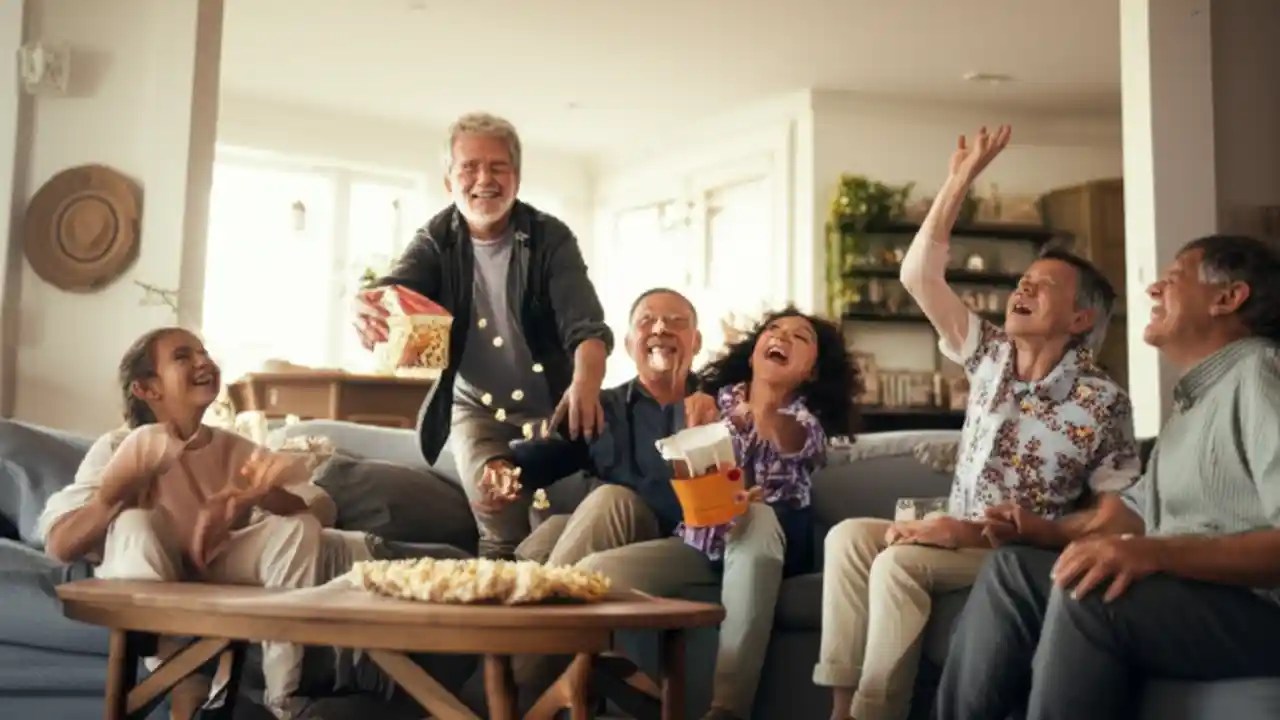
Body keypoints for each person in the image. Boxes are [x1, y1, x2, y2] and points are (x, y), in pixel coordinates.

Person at [813, 126, 1141, 720]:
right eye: (1024, 278)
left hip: (1011, 552)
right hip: (956, 530)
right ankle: (842, 709)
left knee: (899, 562)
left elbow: (1118, 517)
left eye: (1043, 285)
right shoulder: (988, 354)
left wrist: (1026, 528)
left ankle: (873, 713)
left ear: (1080, 316)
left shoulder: (1102, 401)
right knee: (847, 537)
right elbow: (918, 277)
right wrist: (958, 180)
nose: (1023, 284)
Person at [935, 234, 1280, 720]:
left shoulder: (1261, 372)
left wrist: (1156, 552)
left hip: (1255, 608)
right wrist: (1048, 531)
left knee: (1091, 591)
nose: (1154, 289)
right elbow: (1135, 512)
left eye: (1174, 278)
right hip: (1191, 589)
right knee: (1013, 569)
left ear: (1228, 298)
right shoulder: (1194, 400)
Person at [497, 292, 858, 720]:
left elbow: (790, 441)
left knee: (755, 516)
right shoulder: (712, 401)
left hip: (761, 542)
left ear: (813, 369)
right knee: (588, 571)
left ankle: (726, 709)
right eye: (774, 330)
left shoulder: (803, 419)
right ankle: (598, 682)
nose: (782, 337)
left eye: (800, 337)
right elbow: (691, 473)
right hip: (701, 542)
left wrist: (762, 411)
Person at [353, 111, 612, 559]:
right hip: (476, 409)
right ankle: (495, 616)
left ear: (517, 177)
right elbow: (396, 287)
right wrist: (363, 302)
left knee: (554, 529)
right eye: (468, 168)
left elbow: (585, 325)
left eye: (497, 167)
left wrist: (586, 381)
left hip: (551, 407)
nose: (483, 179)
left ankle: (546, 612)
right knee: (498, 517)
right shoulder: (437, 238)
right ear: (449, 181)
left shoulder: (551, 238)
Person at [38, 328, 332, 720]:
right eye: (182, 356)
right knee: (136, 523)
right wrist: (113, 495)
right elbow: (60, 545)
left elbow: (317, 510)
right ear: (147, 389)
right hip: (150, 575)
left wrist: (259, 496)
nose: (203, 362)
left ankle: (282, 699)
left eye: (204, 352)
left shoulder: (232, 447)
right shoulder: (116, 447)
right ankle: (178, 673)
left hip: (217, 567)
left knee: (298, 529)